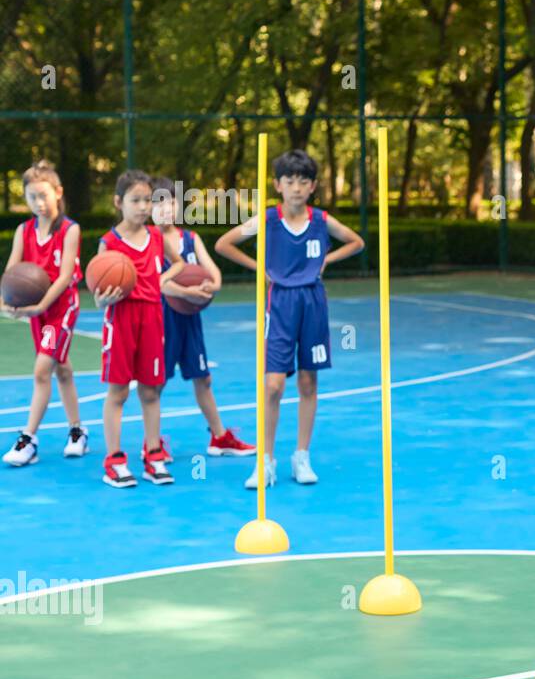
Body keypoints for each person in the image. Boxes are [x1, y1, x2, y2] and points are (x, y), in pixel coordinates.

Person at [214, 149, 364, 488]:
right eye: (289, 181)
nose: (296, 187)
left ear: (312, 187)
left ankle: (301, 456)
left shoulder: (322, 221)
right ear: (278, 185)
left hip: (312, 302)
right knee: (273, 384)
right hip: (279, 303)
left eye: (303, 182)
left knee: (309, 382)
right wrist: (260, 269)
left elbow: (357, 242)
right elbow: (224, 244)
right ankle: (265, 461)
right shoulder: (267, 219)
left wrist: (326, 260)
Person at [96, 170, 189, 488]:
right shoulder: (109, 242)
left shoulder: (156, 238)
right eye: (135, 200)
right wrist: (101, 299)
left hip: (152, 318)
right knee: (118, 392)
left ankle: (153, 455)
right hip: (120, 319)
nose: (142, 206)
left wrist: (162, 279)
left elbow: (178, 262)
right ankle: (115, 460)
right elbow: (95, 292)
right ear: (118, 202)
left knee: (150, 391)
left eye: (147, 200)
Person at [151, 175, 255, 460]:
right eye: (159, 204)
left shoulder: (190, 238)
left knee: (203, 378)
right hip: (161, 319)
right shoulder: (148, 240)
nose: (166, 210)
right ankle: (152, 441)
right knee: (157, 382)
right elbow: (157, 282)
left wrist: (213, 285)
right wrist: (187, 291)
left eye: (171, 203)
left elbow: (213, 271)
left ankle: (219, 437)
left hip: (189, 319)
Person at [1, 160, 87, 466]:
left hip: (61, 307)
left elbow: (64, 277)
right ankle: (78, 431)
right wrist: (5, 299)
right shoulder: (23, 231)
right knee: (62, 369)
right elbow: (12, 270)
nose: (38, 202)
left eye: (44, 195)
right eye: (31, 197)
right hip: (39, 311)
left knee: (42, 371)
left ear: (58, 193)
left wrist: (40, 306)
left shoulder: (70, 229)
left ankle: (28, 440)